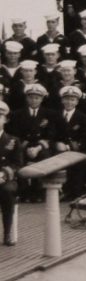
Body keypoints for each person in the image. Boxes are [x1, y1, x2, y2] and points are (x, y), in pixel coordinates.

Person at [0, 102, 22, 245]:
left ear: (5, 120)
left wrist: (2, 175)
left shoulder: (13, 140)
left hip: (5, 179)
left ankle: (7, 232)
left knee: (7, 192)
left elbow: (17, 164)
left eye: (0, 116)